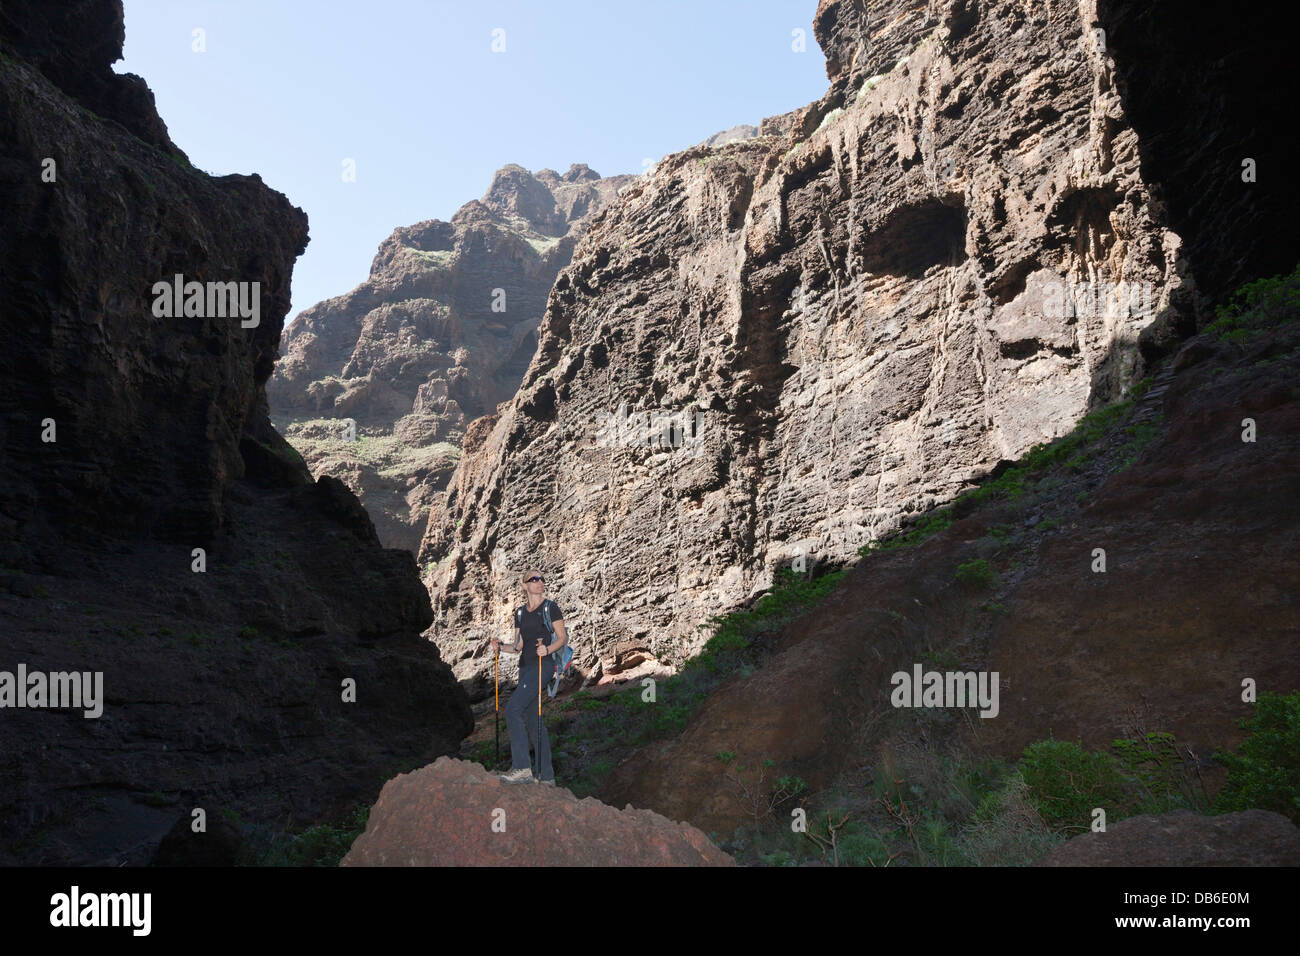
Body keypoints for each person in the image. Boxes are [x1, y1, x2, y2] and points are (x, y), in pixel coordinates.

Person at [491, 569, 567, 785]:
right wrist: (500, 647)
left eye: (542, 578)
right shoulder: (520, 613)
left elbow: (562, 638)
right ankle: (547, 776)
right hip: (525, 668)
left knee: (513, 709)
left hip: (544, 666)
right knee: (534, 721)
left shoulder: (550, 608)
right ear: (524, 585)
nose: (539, 581)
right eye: (534, 579)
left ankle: (522, 768)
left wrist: (548, 649)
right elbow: (518, 647)